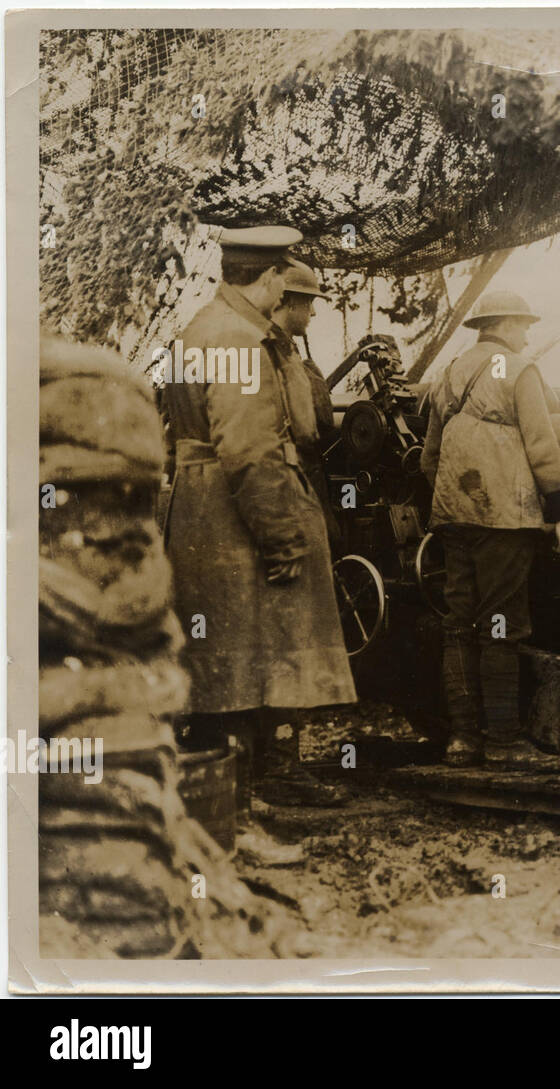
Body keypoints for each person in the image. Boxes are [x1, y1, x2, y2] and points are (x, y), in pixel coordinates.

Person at [163, 225, 354, 808]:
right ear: (270, 278)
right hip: (235, 510)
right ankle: (239, 797)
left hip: (204, 506)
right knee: (248, 646)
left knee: (237, 648)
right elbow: (248, 450)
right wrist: (282, 537)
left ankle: (254, 781)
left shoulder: (200, 328)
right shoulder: (238, 341)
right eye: (281, 278)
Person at [421, 290, 560, 769]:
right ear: (507, 325)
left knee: (458, 624)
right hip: (504, 518)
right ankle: (505, 741)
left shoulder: (449, 372)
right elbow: (542, 445)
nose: (527, 334)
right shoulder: (519, 369)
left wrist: (457, 496)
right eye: (524, 325)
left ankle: (462, 740)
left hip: (453, 513)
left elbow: (430, 455)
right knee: (501, 624)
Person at [269, 259, 342, 555]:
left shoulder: (287, 349)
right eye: (309, 302)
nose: (313, 311)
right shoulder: (272, 351)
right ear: (287, 301)